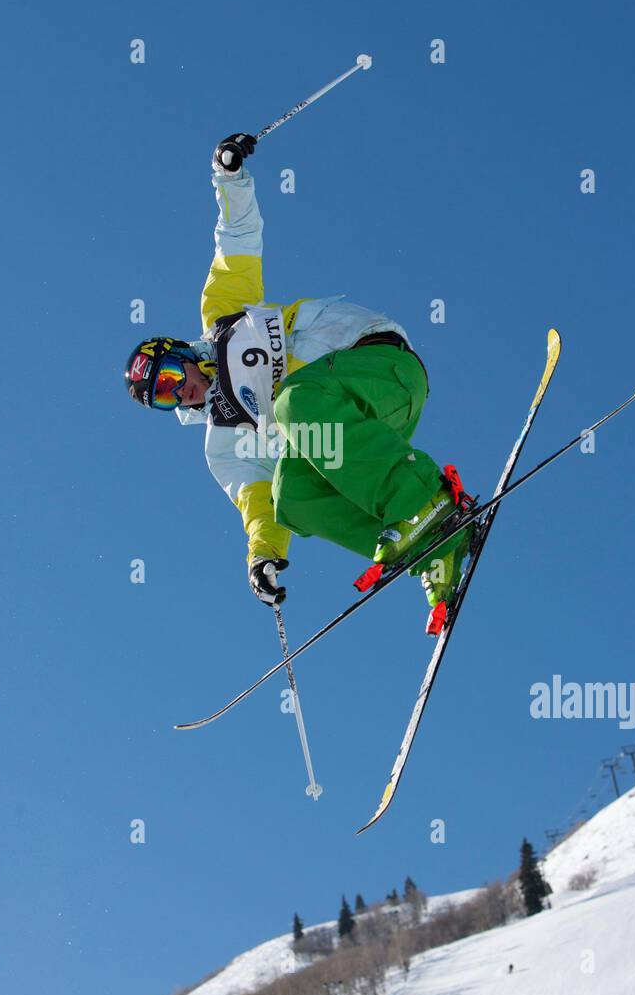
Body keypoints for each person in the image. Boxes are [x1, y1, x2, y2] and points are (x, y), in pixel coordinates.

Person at [125, 133, 475, 634]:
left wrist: (230, 177)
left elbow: (238, 239)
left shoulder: (224, 317)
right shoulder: (224, 445)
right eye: (164, 398)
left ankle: (425, 499)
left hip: (380, 367)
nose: (180, 392)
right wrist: (261, 555)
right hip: (366, 434)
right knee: (294, 495)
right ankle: (432, 547)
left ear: (184, 355)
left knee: (292, 403)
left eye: (173, 377)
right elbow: (259, 503)